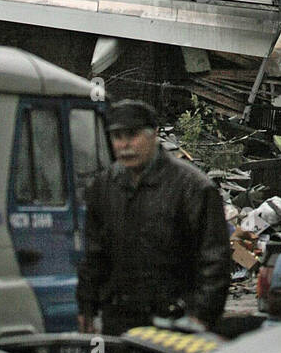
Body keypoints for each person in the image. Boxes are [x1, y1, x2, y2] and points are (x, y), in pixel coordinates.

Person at [76, 100, 231, 336]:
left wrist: (201, 315)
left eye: (133, 135)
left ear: (154, 134)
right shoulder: (104, 187)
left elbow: (214, 260)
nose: (125, 145)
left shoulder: (193, 188)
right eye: (117, 136)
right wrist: (86, 306)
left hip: (175, 322)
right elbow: (94, 255)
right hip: (120, 321)